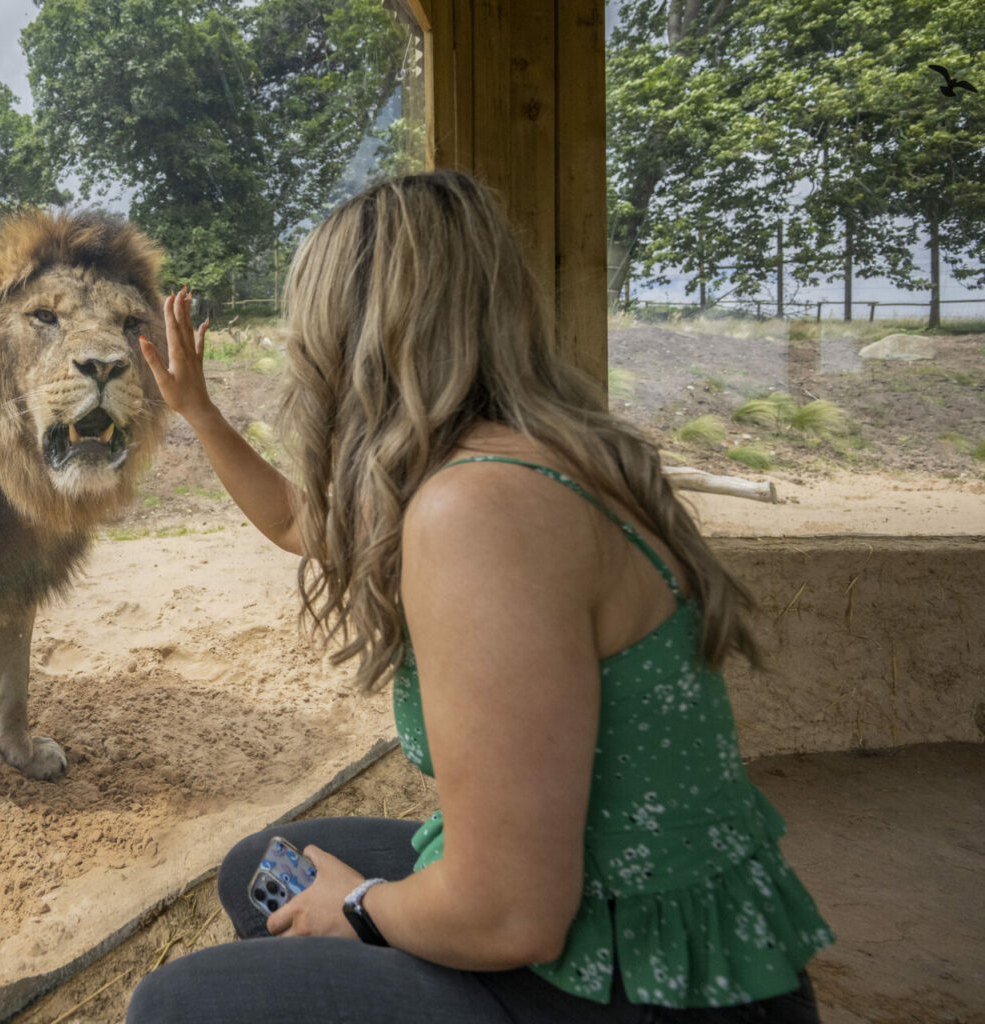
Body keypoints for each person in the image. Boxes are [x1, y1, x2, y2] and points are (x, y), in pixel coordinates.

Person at [127, 170, 832, 1023]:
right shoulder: (537, 453)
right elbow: (294, 523)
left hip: (643, 983)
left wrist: (359, 909)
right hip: (653, 919)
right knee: (260, 869)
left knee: (179, 1004)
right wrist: (200, 413)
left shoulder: (480, 512)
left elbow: (511, 914)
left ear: (356, 337)